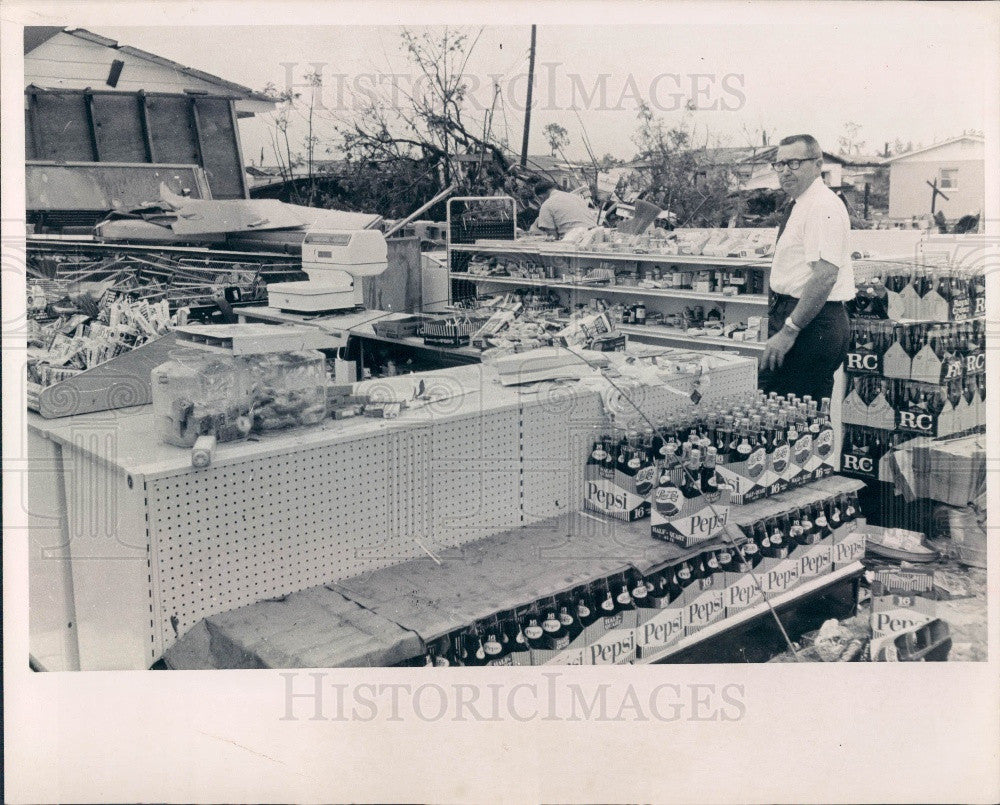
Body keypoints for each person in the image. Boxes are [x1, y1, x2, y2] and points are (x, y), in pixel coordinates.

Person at [759, 134, 854, 402]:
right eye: (780, 164)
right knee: (797, 415)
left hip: (811, 322)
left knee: (790, 415)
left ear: (817, 164)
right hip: (805, 318)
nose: (785, 171)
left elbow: (825, 276)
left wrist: (789, 330)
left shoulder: (821, 205)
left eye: (795, 163)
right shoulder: (803, 204)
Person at [529, 178, 598, 238]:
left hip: (574, 238)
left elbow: (552, 236)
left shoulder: (546, 204)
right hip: (595, 233)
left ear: (541, 197)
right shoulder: (575, 197)